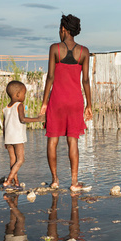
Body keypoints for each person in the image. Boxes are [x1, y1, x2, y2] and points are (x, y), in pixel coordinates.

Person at [39, 14, 93, 191]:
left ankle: (55, 180)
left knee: (52, 140)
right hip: (75, 101)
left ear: (63, 29)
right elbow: (85, 81)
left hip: (57, 100)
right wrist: (89, 105)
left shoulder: (54, 48)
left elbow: (51, 77)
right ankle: (74, 183)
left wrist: (44, 102)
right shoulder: (84, 51)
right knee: (73, 142)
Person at [2, 80, 44, 188]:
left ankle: (16, 182)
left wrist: (4, 140)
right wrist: (38, 119)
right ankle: (9, 180)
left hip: (8, 138)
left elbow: (4, 125)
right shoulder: (19, 105)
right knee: (20, 159)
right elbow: (23, 119)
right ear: (17, 94)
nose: (24, 96)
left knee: (13, 160)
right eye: (24, 94)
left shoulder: (6, 108)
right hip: (17, 137)